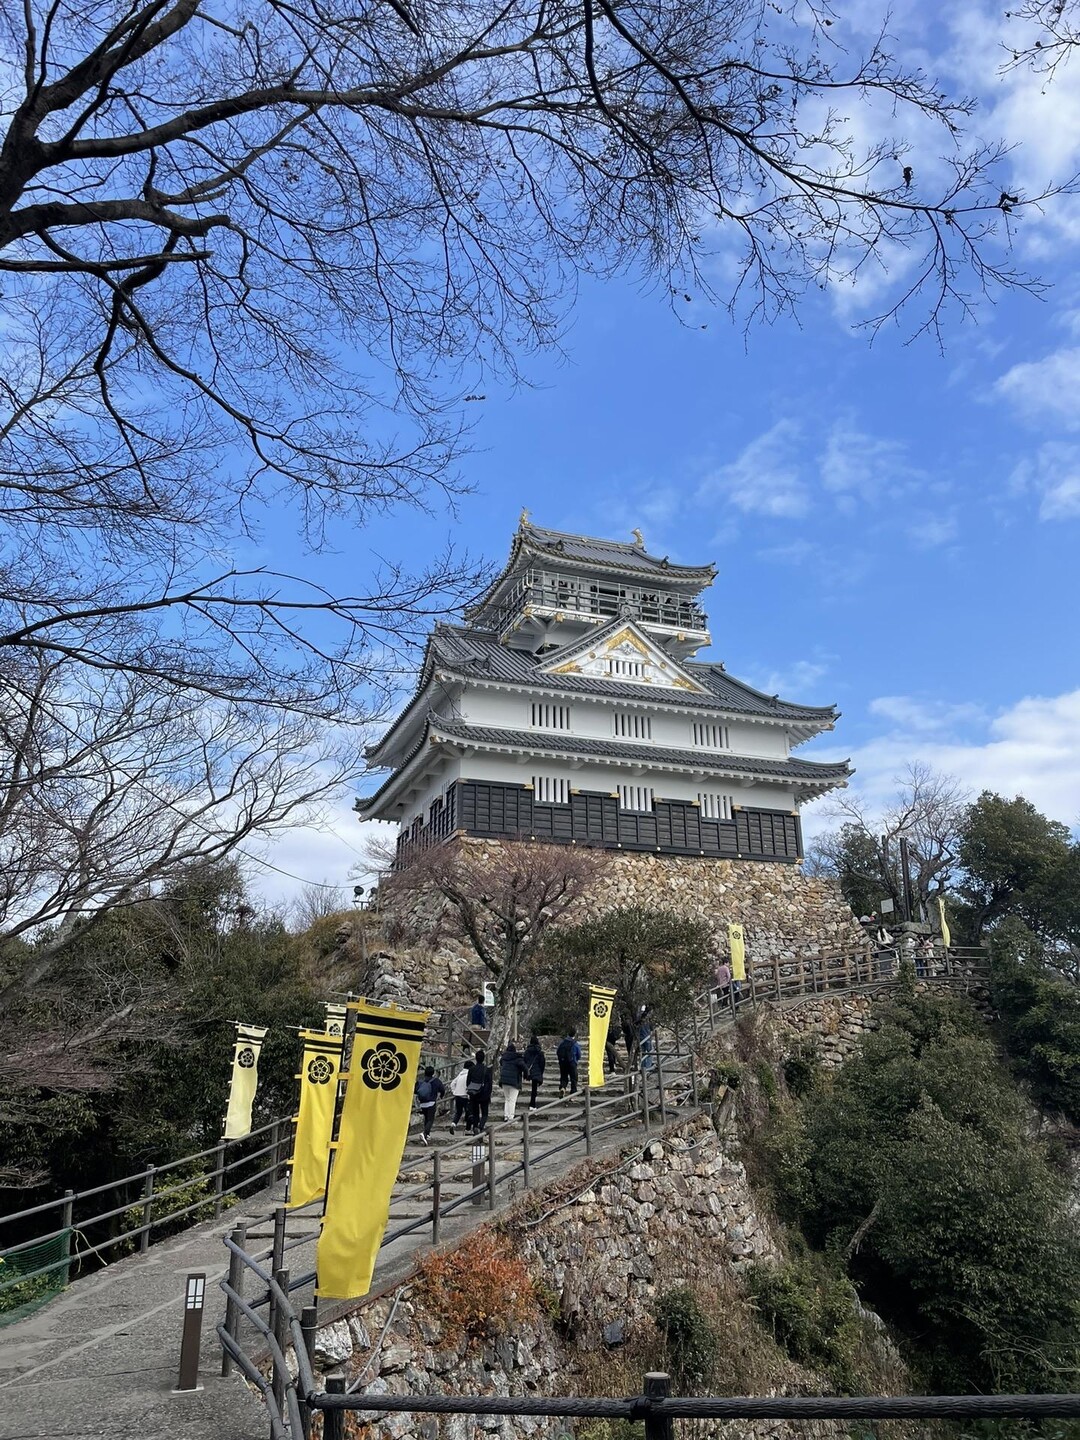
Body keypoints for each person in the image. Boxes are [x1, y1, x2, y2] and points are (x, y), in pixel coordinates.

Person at [414, 1065, 445, 1146]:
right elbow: (442, 1089)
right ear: (433, 1073)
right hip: (431, 1103)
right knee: (430, 1120)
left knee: (426, 1119)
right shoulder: (436, 1081)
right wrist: (441, 1096)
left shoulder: (421, 1081)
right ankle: (424, 1134)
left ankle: (427, 1135)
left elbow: (415, 1091)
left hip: (422, 1103)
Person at [499, 1041, 527, 1121]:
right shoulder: (517, 1059)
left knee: (507, 1099)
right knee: (512, 1100)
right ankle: (511, 1117)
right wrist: (526, 1076)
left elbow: (501, 1064)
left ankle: (506, 1116)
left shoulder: (503, 1058)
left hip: (504, 1081)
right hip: (514, 1081)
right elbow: (525, 1068)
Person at [466, 1049, 491, 1133]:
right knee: (484, 1113)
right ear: (483, 1058)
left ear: (476, 1058)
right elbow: (489, 1083)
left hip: (474, 1093)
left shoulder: (471, 1069)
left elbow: (468, 1082)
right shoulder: (487, 1069)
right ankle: (481, 1127)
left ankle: (475, 1127)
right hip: (484, 1094)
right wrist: (488, 1094)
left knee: (475, 1112)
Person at [522, 1034, 546, 1110]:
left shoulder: (527, 1051)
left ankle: (532, 1104)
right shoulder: (540, 1052)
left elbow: (524, 1061)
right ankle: (532, 1104)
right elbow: (542, 1063)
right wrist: (541, 1072)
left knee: (533, 1087)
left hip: (529, 1070)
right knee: (534, 1089)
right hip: (537, 1071)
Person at [448, 1058, 471, 1133]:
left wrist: (454, 1091)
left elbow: (452, 1084)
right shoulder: (469, 1075)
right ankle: (468, 1129)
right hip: (465, 1096)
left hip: (458, 1095)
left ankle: (453, 1124)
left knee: (458, 1112)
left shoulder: (460, 1074)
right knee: (469, 1112)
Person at [556, 1029, 581, 1096]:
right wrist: (576, 1060)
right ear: (575, 1035)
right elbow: (579, 1054)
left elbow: (558, 1052)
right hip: (572, 1062)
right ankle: (573, 1093)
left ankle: (563, 1087)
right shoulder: (575, 1044)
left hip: (563, 1062)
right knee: (574, 1078)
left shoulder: (563, 1042)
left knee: (564, 1077)